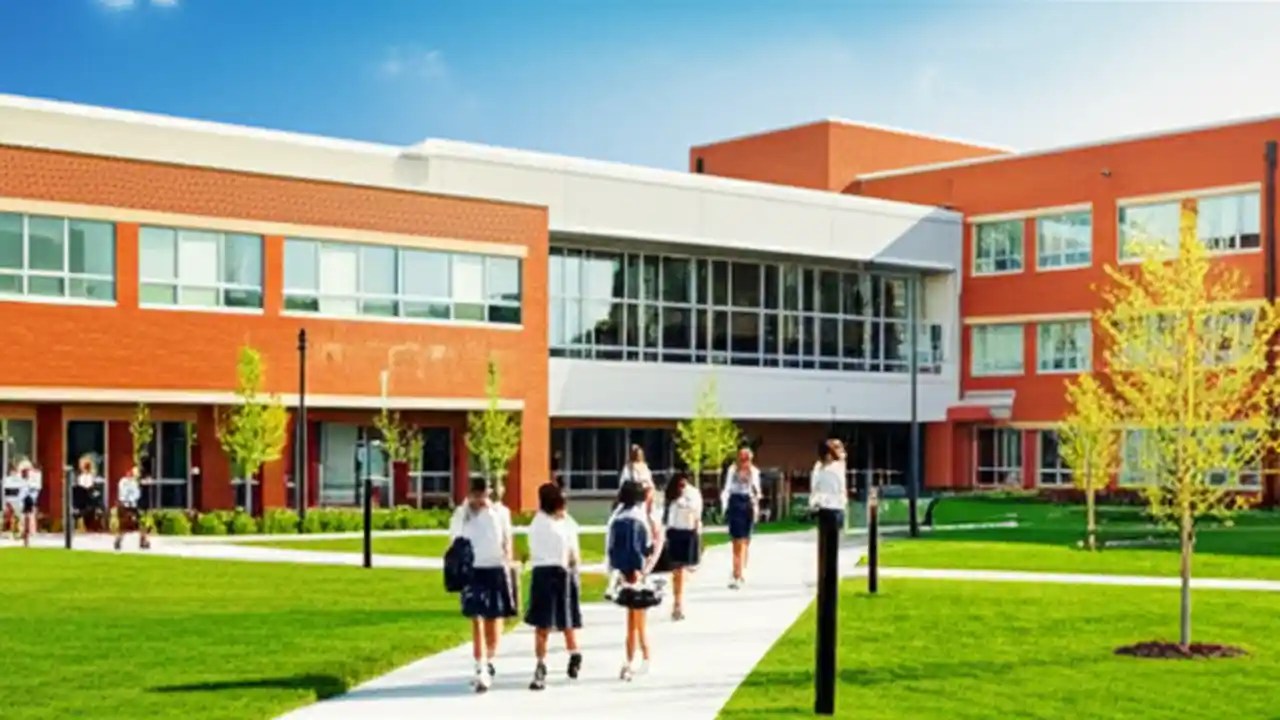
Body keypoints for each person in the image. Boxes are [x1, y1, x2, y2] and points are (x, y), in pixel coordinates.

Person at [449, 477, 516, 693]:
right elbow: (454, 542)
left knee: (494, 619)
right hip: (473, 571)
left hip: (495, 569)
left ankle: (489, 658)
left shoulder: (500, 512)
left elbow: (507, 541)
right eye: (475, 495)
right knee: (476, 618)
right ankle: (480, 666)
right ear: (469, 495)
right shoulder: (462, 514)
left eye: (483, 495)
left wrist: (509, 564)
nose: (479, 500)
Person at [524, 482, 584, 691]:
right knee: (543, 625)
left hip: (563, 574)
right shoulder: (540, 524)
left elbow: (573, 551)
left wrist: (575, 567)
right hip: (545, 572)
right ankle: (540, 665)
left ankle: (574, 653)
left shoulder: (566, 523)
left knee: (566, 620)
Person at [607, 480, 660, 682]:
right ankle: (639, 658)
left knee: (633, 621)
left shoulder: (618, 518)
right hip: (635, 574)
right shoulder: (637, 520)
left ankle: (636, 659)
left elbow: (612, 548)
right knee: (637, 620)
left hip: (624, 573)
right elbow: (643, 548)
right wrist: (641, 569)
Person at [663, 472, 703, 620]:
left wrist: (698, 535)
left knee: (681, 571)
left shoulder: (693, 494)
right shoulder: (670, 494)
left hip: (687, 532)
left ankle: (678, 603)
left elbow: (697, 513)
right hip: (674, 533)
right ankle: (677, 603)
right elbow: (666, 516)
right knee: (677, 571)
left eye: (683, 484)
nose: (681, 486)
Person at [721, 447, 762, 589]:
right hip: (735, 502)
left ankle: (741, 570)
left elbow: (757, 492)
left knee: (745, 540)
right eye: (743, 458)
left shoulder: (754, 472)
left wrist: (756, 508)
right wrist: (724, 507)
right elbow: (726, 489)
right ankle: (737, 573)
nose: (745, 461)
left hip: (748, 503)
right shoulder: (732, 471)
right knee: (736, 541)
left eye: (747, 459)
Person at [809, 438, 848, 583]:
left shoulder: (835, 468)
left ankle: (829, 576)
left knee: (831, 545)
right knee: (826, 545)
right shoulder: (821, 468)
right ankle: (825, 575)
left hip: (834, 508)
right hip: (826, 508)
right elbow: (815, 488)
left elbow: (817, 487)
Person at [114, 466, 149, 551]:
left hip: (128, 506)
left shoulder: (128, 482)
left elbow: (134, 495)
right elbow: (132, 495)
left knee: (138, 523)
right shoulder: (127, 482)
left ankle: (142, 541)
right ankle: (118, 540)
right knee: (129, 525)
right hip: (127, 506)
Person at [16, 460, 39, 547]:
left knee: (29, 516)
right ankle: (23, 533)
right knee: (23, 517)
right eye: (23, 471)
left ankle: (28, 534)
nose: (25, 472)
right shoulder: (18, 479)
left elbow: (35, 491)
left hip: (29, 500)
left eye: (26, 470)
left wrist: (32, 498)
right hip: (21, 501)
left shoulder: (33, 479)